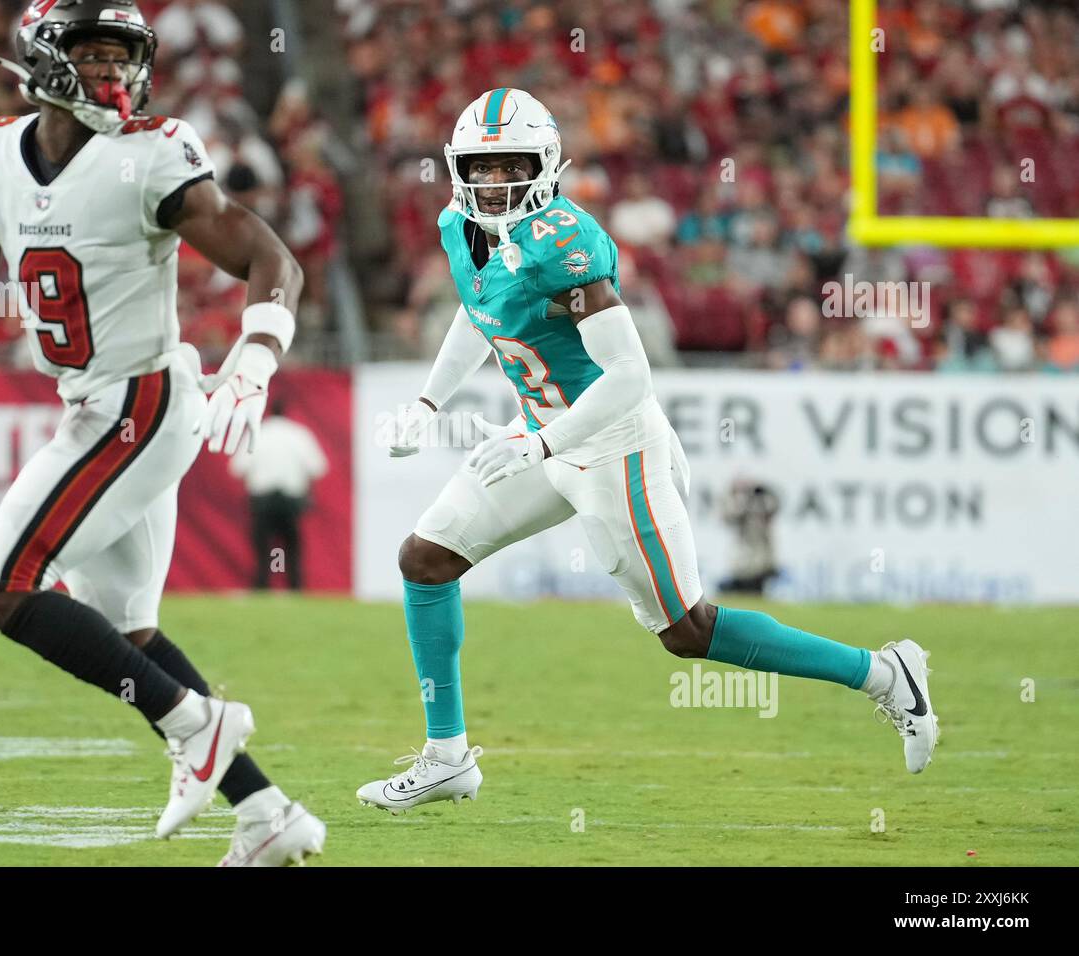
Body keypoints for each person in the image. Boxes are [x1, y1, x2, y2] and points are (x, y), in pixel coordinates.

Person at [358, 88, 939, 814]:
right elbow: (480, 312)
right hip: (541, 433)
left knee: (687, 631)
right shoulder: (459, 225)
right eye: (482, 168)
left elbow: (630, 376)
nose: (495, 183)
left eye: (511, 167)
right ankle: (447, 758)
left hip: (611, 442)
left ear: (545, 166)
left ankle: (884, 673)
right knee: (426, 558)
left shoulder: (564, 244)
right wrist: (427, 403)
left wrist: (542, 443)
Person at [0, 0, 323, 866]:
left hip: (141, 401)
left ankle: (195, 727)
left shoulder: (152, 154)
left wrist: (255, 357)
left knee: (1, 584)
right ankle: (267, 813)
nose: (114, 72)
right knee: (127, 632)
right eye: (93, 54)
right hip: (96, 401)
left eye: (123, 56)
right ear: (42, 59)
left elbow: (269, 257)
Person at [229, 398, 329, 590]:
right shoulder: (299, 434)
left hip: (263, 499)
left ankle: (262, 584)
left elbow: (237, 468)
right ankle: (295, 586)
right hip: (290, 500)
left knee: (263, 546)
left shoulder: (258, 433)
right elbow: (317, 467)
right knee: (291, 546)